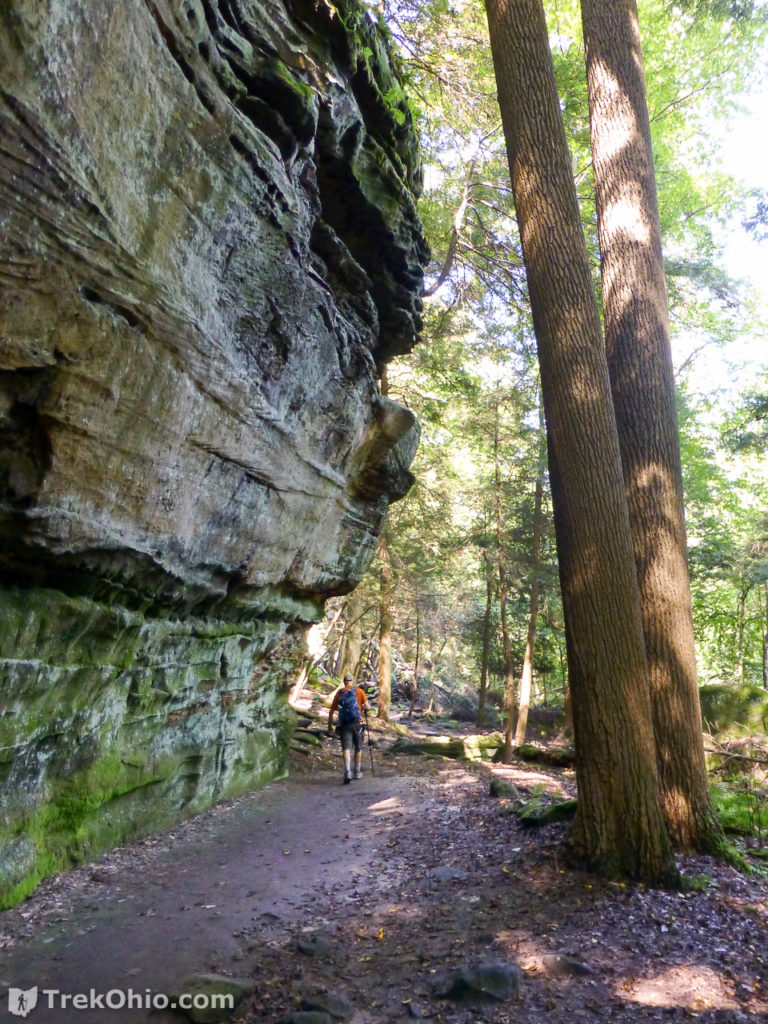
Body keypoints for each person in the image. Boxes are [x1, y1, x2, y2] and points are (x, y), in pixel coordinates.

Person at [327, 674, 370, 784]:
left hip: (345, 724)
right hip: (357, 723)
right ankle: (357, 771)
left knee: (346, 747)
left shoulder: (340, 693)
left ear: (344, 681)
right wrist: (365, 709)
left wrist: (330, 727)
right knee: (358, 747)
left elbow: (331, 711)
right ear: (352, 681)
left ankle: (347, 771)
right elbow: (368, 707)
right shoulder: (360, 691)